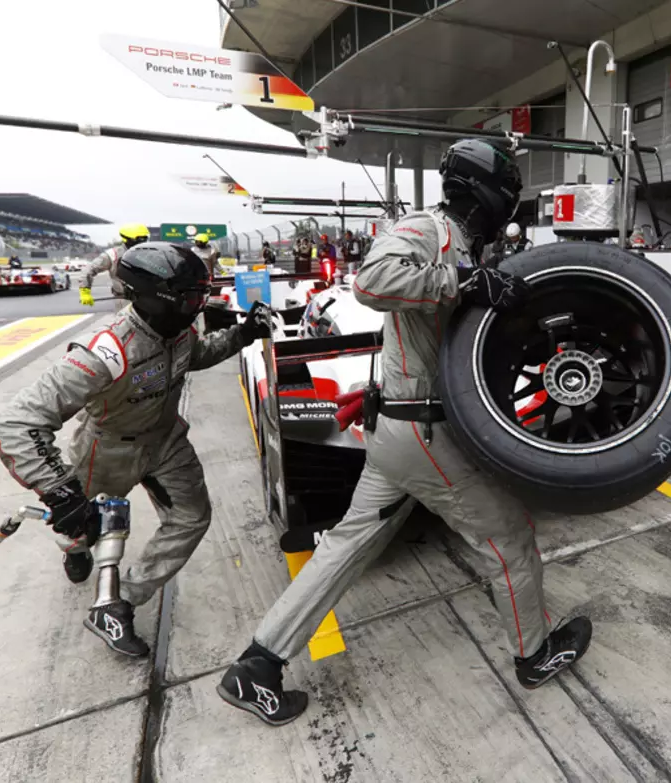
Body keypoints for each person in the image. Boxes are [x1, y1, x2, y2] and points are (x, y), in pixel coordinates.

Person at [218, 138, 593, 726]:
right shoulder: (429, 230)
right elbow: (372, 281)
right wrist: (464, 280)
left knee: (343, 548)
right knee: (511, 540)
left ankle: (257, 663)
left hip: (401, 431)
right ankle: (536, 653)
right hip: (426, 432)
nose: (511, 204)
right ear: (483, 190)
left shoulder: (465, 246)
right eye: (508, 191)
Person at [0, 242, 273, 656]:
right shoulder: (106, 353)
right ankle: (74, 548)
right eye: (190, 297)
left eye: (201, 295)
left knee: (192, 518)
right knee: (82, 526)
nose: (198, 306)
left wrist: (242, 335)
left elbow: (196, 355)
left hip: (166, 442)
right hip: (108, 451)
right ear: (154, 297)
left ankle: (118, 602)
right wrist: (59, 490)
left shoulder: (179, 330)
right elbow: (16, 423)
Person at [78, 223, 149, 308]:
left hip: (149, 299)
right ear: (128, 239)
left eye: (145, 238)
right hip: (124, 300)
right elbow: (88, 270)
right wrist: (85, 291)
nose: (143, 242)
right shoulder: (113, 255)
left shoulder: (151, 253)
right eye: (140, 239)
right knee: (125, 320)